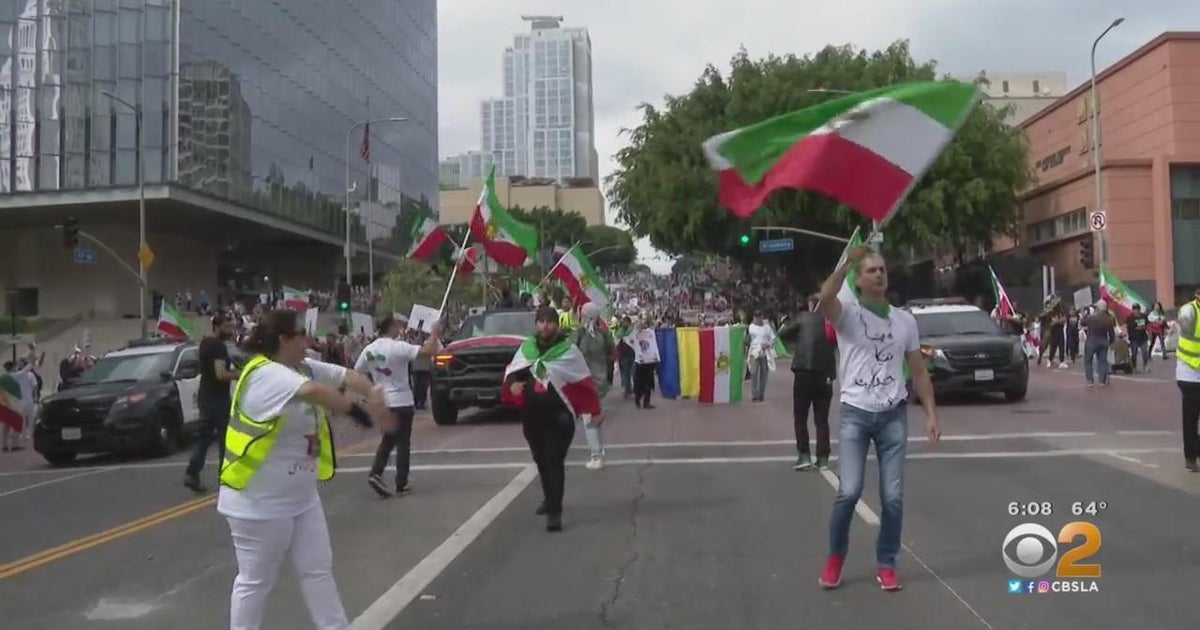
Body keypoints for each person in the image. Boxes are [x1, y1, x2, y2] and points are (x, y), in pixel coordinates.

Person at [218, 309, 392, 630]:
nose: (307, 340)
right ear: (283, 339)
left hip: (300, 497)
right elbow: (313, 392)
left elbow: (346, 377)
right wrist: (353, 409)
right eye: (301, 334)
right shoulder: (264, 374)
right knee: (256, 582)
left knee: (317, 571)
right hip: (259, 502)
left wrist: (373, 393)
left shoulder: (302, 367)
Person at [814, 243, 940, 592]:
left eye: (882, 269)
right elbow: (825, 296)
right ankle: (835, 558)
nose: (879, 274)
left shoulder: (904, 321)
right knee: (849, 491)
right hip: (856, 414)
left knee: (893, 496)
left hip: (893, 417)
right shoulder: (847, 316)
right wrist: (845, 264)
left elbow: (918, 371)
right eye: (871, 270)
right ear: (858, 280)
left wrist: (931, 414)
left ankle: (886, 563)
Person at [505, 307, 600, 531]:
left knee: (554, 460)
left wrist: (595, 410)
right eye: (541, 322)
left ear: (557, 325)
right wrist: (513, 385)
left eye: (549, 322)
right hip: (532, 415)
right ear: (536, 324)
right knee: (540, 459)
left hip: (559, 416)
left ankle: (555, 512)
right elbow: (514, 372)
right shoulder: (527, 348)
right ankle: (549, 499)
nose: (545, 326)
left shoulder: (569, 351)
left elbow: (584, 383)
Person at [355, 314, 442, 497]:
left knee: (388, 439)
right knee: (402, 442)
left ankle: (376, 473)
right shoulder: (399, 347)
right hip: (401, 399)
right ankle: (400, 481)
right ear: (392, 326)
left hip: (384, 401)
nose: (400, 328)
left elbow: (357, 372)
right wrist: (434, 333)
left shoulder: (368, 350)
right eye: (397, 325)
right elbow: (428, 350)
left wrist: (369, 392)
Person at [777, 295, 837, 471]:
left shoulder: (804, 318)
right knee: (822, 419)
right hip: (825, 373)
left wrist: (795, 340)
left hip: (804, 371)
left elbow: (783, 333)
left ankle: (804, 455)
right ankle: (823, 458)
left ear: (811, 304)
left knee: (801, 416)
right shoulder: (832, 322)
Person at [185, 314, 241, 493]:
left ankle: (192, 473)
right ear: (217, 326)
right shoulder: (217, 346)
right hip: (218, 399)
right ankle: (225, 478)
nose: (230, 329)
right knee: (226, 439)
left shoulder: (205, 344)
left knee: (204, 438)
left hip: (205, 396)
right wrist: (242, 374)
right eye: (227, 326)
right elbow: (221, 374)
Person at [573, 302, 614, 470]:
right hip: (601, 380)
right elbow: (611, 356)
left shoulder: (580, 335)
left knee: (589, 419)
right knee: (595, 417)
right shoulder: (604, 334)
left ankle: (596, 456)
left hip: (586, 382)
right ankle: (600, 451)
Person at [1175, 288, 1200, 472]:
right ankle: (1190, 456)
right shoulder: (1189, 311)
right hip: (1189, 374)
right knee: (1191, 418)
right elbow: (1186, 327)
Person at [1082, 301, 1116, 387]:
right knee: (1102, 361)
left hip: (1092, 339)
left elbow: (1082, 322)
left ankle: (1090, 380)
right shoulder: (1109, 319)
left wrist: (1084, 315)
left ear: (1098, 308)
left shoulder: (1093, 318)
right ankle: (1102, 381)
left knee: (1088, 360)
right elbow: (1111, 333)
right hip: (1103, 340)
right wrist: (1112, 341)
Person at [747, 312, 776, 402]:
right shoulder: (751, 327)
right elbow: (748, 339)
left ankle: (761, 394)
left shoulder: (767, 327)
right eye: (756, 318)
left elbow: (773, 338)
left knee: (764, 373)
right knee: (754, 372)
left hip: (764, 351)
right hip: (754, 350)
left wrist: (768, 344)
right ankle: (754, 394)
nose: (758, 320)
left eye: (759, 318)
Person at [632, 318, 660, 409]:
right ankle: (638, 400)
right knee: (639, 383)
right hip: (640, 363)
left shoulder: (650, 333)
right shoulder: (633, 335)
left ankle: (646, 402)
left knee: (648, 383)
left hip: (649, 362)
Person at [1126, 304, 1150, 372]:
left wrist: (1145, 327)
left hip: (1143, 337)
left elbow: (1148, 324)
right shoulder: (1130, 318)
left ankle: (1145, 365)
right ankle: (1134, 367)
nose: (1136, 311)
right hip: (1134, 338)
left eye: (1137, 309)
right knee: (1134, 353)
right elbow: (1129, 328)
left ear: (1139, 310)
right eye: (1134, 309)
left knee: (1145, 352)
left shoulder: (1144, 316)